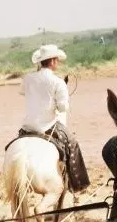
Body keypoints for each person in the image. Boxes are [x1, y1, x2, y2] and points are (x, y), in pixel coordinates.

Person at [18, 44, 90, 192]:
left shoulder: (28, 78)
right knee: (72, 143)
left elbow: (23, 92)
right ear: (52, 61)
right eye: (56, 59)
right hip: (48, 126)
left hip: (27, 127)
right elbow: (63, 108)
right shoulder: (58, 82)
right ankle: (78, 185)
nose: (58, 62)